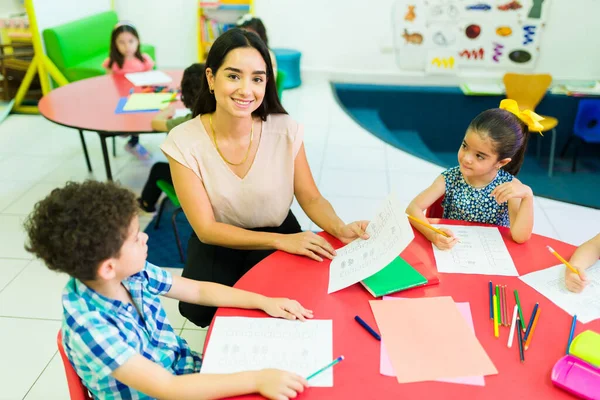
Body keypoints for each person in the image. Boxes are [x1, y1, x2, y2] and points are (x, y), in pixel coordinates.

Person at [23, 180, 313, 400]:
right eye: (136, 238)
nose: (146, 238)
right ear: (108, 267)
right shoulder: (90, 327)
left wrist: (263, 301)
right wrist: (257, 379)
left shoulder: (129, 273)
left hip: (184, 371)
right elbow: (168, 388)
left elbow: (197, 291)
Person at [161, 28, 369, 327]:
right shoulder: (183, 140)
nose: (247, 90)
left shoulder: (285, 129)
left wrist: (340, 227)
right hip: (221, 240)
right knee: (197, 311)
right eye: (233, 76)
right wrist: (280, 242)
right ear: (210, 78)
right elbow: (206, 229)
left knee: (292, 304)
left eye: (257, 78)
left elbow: (310, 196)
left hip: (279, 229)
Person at [406, 99, 537, 250]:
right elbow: (412, 208)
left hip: (491, 254)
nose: (467, 158)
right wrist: (433, 235)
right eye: (464, 146)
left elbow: (520, 237)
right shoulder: (450, 178)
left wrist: (527, 196)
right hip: (452, 250)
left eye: (479, 156)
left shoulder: (510, 187)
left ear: (501, 162)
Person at [138, 63, 204, 213]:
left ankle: (146, 203)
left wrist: (167, 111)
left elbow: (156, 123)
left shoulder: (189, 120)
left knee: (158, 168)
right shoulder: (218, 115)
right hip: (216, 182)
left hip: (197, 184)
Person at [103, 21, 154, 160]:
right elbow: (108, 82)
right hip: (120, 99)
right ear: (115, 44)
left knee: (138, 118)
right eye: (121, 42)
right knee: (126, 120)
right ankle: (129, 136)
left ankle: (133, 142)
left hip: (139, 98)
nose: (127, 47)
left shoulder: (144, 60)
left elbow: (150, 80)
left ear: (137, 41)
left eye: (131, 41)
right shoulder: (112, 62)